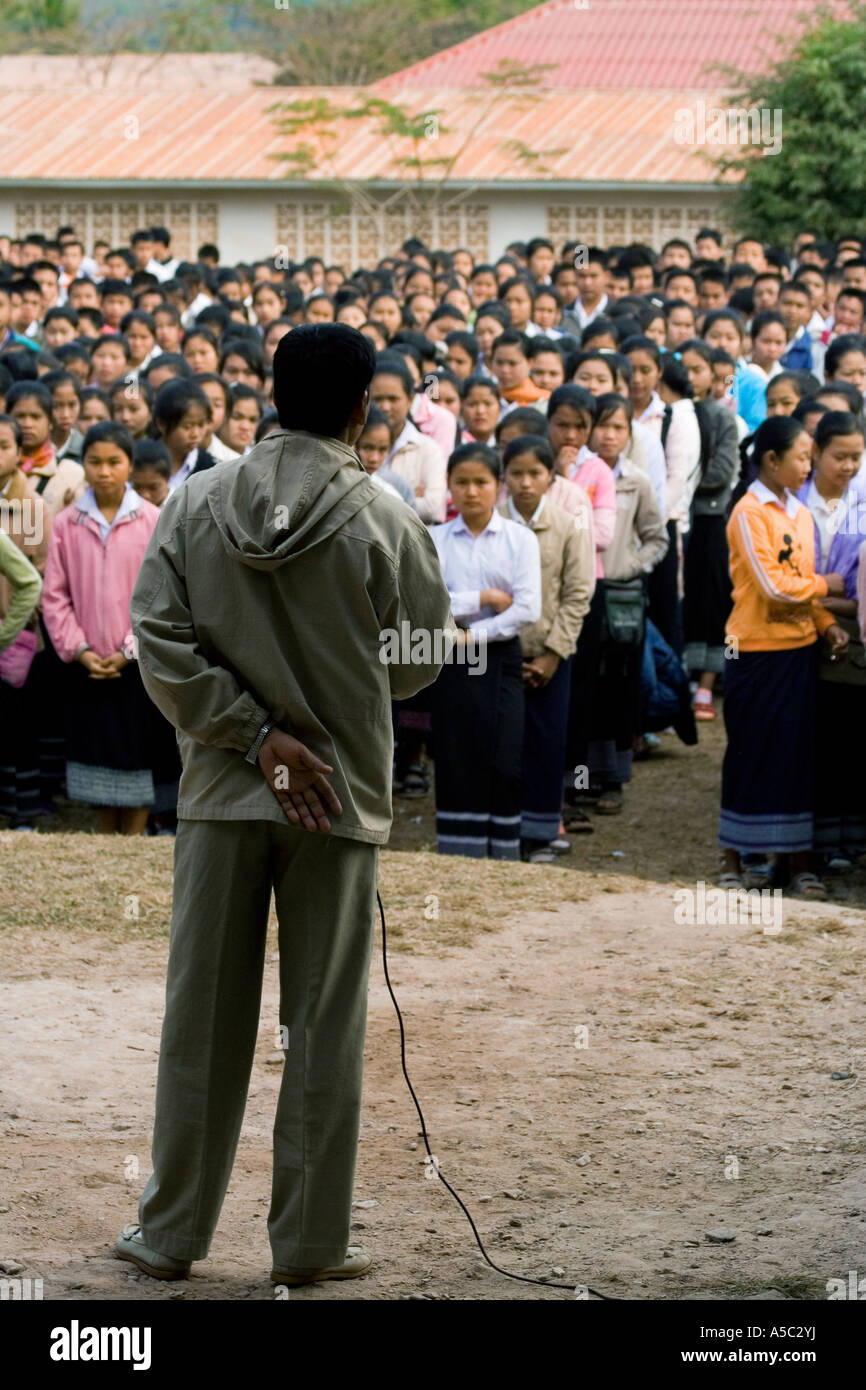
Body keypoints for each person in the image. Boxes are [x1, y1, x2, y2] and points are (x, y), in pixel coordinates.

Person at [117, 321, 452, 1287]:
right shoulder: (385, 517)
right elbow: (421, 662)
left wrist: (256, 736)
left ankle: (170, 1233)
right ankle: (308, 1246)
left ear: (268, 392)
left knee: (203, 1019)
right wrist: (331, 705)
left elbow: (159, 644)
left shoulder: (197, 501)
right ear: (361, 410)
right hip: (336, 800)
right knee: (323, 1021)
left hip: (225, 792)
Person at [718, 416, 848, 899]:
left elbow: (801, 593)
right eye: (800, 458)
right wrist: (826, 587)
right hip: (755, 652)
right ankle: (733, 856)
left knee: (795, 761)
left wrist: (826, 623)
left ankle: (792, 864)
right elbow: (774, 586)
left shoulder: (801, 514)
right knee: (750, 754)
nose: (807, 467)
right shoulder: (748, 513)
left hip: (798, 654)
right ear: (771, 460)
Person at [41, 422, 161, 834]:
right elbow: (54, 595)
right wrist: (79, 649)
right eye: (95, 461)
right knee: (98, 757)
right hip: (87, 664)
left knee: (135, 754)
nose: (104, 470)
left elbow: (160, 597)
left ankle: (133, 841)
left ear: (129, 464)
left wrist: (130, 650)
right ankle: (106, 841)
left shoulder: (151, 521)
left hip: (136, 666)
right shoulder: (67, 523)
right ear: (83, 463)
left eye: (115, 461)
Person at [429, 441, 541, 858]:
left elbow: (529, 606)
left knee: (505, 754)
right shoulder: (434, 538)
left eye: (480, 482)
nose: (471, 491)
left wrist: (474, 633)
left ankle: (503, 848)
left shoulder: (519, 539)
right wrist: (486, 597)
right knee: (457, 751)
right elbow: (429, 601)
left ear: (499, 486)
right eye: (462, 482)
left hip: (497, 653)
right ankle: (461, 849)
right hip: (451, 657)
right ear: (449, 486)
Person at [499, 435, 594, 862]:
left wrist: (553, 652)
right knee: (504, 744)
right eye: (516, 473)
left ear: (550, 476)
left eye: (534, 473)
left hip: (552, 655)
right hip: (500, 655)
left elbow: (578, 593)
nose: (525, 482)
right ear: (505, 476)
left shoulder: (568, 524)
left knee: (547, 742)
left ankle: (540, 831)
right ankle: (504, 829)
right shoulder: (493, 523)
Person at [584, 394, 668, 814]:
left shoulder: (636, 479)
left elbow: (658, 537)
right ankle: (579, 777)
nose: (609, 435)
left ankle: (612, 779)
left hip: (620, 597)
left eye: (619, 427)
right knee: (585, 687)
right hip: (581, 594)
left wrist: (628, 566)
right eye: (601, 425)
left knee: (619, 686)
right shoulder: (576, 474)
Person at [798, 411, 866, 874]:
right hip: (792, 635)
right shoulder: (793, 503)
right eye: (839, 456)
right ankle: (808, 843)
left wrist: (810, 588)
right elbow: (780, 581)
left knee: (845, 741)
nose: (847, 467)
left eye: (856, 458)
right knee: (805, 742)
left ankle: (845, 841)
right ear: (816, 452)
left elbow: (857, 590)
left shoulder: (859, 508)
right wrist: (829, 586)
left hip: (848, 642)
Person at [678, 339, 740, 719]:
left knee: (712, 598)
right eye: (684, 368)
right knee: (683, 599)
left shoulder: (721, 418)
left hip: (709, 518)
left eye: (698, 369)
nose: (691, 377)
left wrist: (679, 482)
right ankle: (680, 677)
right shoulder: (671, 414)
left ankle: (705, 682)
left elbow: (720, 473)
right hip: (678, 518)